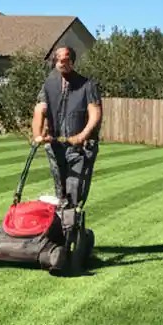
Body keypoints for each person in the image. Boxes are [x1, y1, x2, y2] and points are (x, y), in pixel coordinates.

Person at [32, 46, 102, 208]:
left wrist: (83, 135)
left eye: (66, 59)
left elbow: (95, 112)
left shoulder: (86, 85)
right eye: (58, 59)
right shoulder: (49, 85)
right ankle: (62, 227)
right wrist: (38, 136)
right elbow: (39, 109)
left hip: (80, 148)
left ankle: (73, 227)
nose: (62, 62)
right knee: (61, 192)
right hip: (56, 145)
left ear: (72, 61)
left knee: (75, 191)